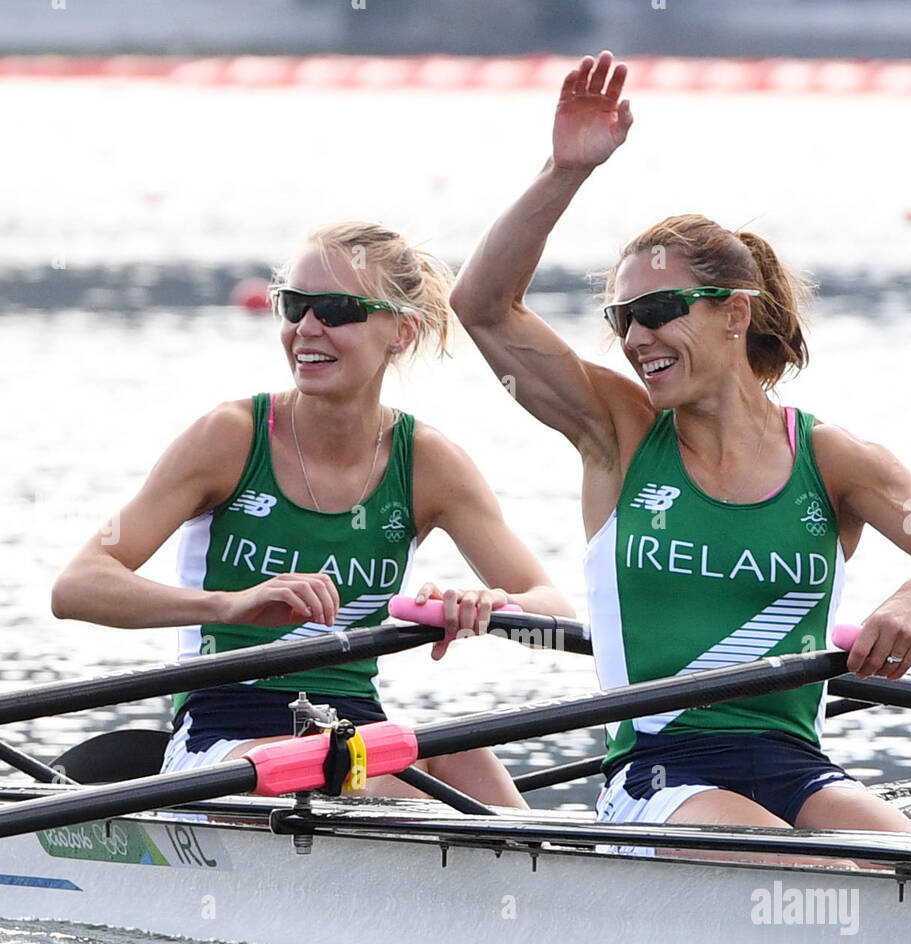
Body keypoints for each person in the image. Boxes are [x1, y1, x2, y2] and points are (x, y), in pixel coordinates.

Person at [450, 52, 911, 836]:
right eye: (622, 319)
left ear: (734, 314)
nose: (637, 337)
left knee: (909, 861)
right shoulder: (618, 432)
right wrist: (562, 171)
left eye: (660, 309)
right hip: (655, 770)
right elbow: (480, 306)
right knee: (803, 865)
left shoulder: (830, 458)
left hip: (795, 764)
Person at [52, 220, 574, 806]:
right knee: (364, 769)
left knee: (462, 749)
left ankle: (544, 877)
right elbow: (76, 586)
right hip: (224, 740)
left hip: (353, 735)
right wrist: (230, 606)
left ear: (400, 329)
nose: (305, 327)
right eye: (294, 305)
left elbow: (552, 608)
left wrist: (492, 604)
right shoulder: (229, 437)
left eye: (335, 309)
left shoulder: (429, 463)